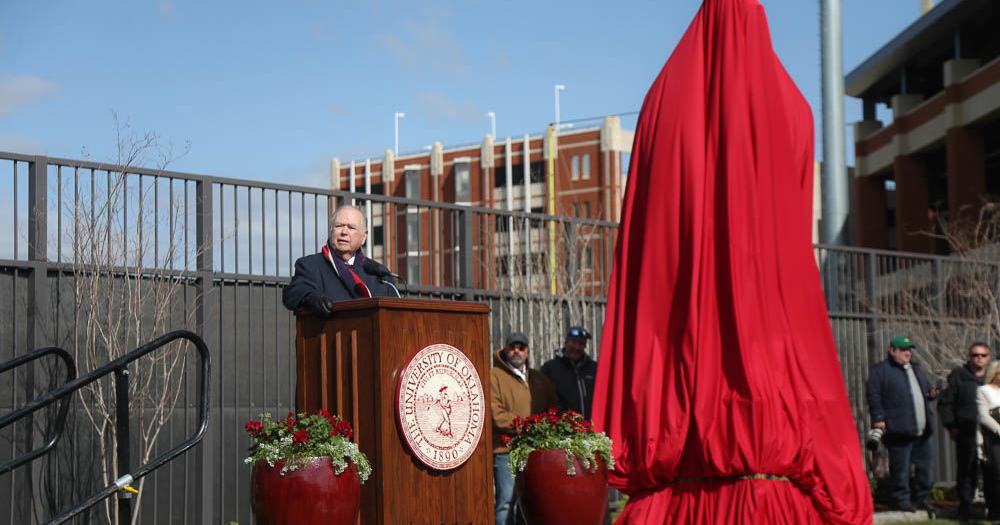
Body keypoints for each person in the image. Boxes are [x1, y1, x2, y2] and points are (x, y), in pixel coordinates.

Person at [491, 332, 557, 525]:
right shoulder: (494, 376)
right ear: (505, 349)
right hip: (506, 451)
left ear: (527, 352)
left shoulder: (539, 379)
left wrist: (548, 427)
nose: (516, 351)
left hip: (536, 451)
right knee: (505, 503)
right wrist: (528, 424)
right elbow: (497, 416)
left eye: (521, 347)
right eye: (512, 347)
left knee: (532, 502)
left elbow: (553, 409)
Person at [866, 335, 937, 512]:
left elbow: (926, 391)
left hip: (922, 430)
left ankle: (923, 498)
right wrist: (878, 418)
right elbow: (874, 396)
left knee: (925, 469)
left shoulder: (916, 369)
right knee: (901, 469)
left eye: (909, 350)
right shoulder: (880, 371)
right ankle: (901, 501)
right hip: (898, 429)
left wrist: (932, 393)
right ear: (892, 351)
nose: (907, 353)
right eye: (903, 350)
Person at [282, 204, 396, 313]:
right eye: (339, 226)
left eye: (351, 227)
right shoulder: (310, 265)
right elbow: (292, 294)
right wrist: (310, 298)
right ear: (331, 230)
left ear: (364, 237)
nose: (344, 232)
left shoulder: (379, 274)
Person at [940, 342, 993, 522]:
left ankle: (993, 509)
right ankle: (965, 509)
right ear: (969, 357)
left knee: (992, 472)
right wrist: (951, 426)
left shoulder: (994, 377)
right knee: (966, 471)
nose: (979, 358)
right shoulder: (958, 376)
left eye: (983, 355)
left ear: (989, 358)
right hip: (966, 432)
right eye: (975, 355)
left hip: (990, 433)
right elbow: (946, 403)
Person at [541, 325, 597, 420]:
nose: (577, 347)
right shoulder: (550, 368)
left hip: (591, 427)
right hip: (563, 429)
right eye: (573, 342)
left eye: (581, 343)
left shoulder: (594, 368)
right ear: (566, 342)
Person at [978, 361, 1000, 522]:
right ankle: (995, 512)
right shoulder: (983, 391)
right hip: (993, 438)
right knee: (996, 474)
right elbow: (983, 416)